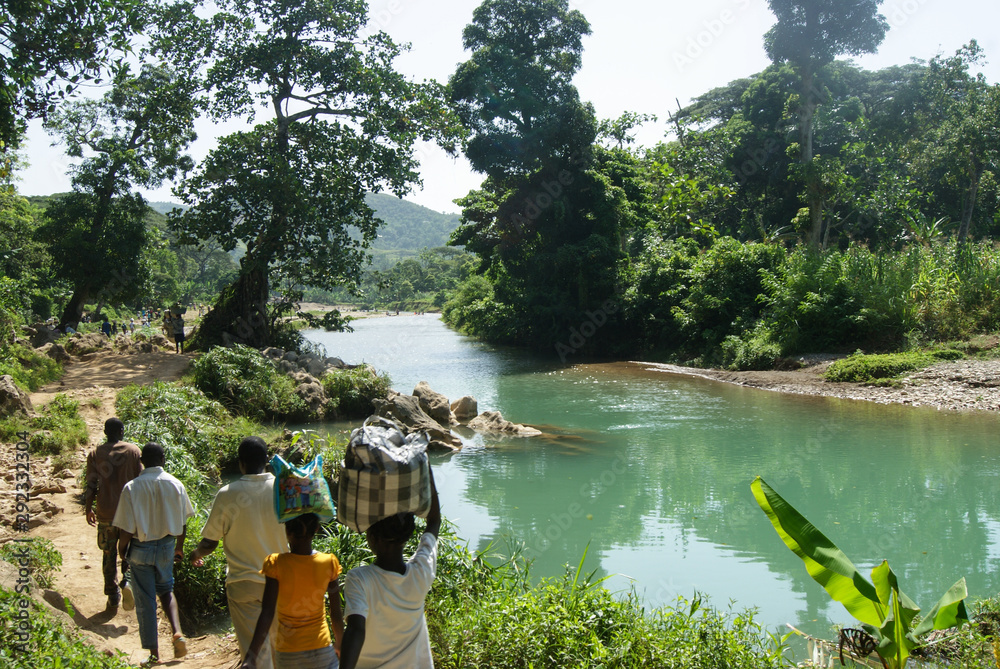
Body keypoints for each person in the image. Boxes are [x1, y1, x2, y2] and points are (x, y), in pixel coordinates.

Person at [189, 437, 288, 669]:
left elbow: (210, 543)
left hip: (243, 583)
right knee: (281, 649)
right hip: (282, 581)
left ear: (241, 463)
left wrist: (196, 553)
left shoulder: (227, 493)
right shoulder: (284, 489)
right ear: (266, 460)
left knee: (254, 652)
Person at [339, 469, 441, 669]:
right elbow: (434, 521)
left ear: (373, 539)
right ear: (406, 537)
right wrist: (425, 468)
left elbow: (356, 629)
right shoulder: (421, 572)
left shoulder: (359, 579)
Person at [113, 443, 195, 666]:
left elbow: (126, 529)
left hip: (140, 548)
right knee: (167, 590)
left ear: (141, 461)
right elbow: (183, 522)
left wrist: (122, 551)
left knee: (146, 601)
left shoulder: (131, 487)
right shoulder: (175, 484)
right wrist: (179, 547)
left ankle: (153, 654)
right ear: (163, 459)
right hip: (167, 546)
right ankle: (177, 633)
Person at [240, 513, 344, 669]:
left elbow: (267, 613)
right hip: (321, 649)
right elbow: (335, 612)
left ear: (287, 531)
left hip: (289, 653)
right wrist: (341, 643)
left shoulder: (275, 564)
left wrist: (251, 656)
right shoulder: (329, 562)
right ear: (316, 529)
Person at [83, 417, 142, 609]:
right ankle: (127, 582)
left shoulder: (96, 453)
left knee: (108, 554)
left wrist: (88, 508)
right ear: (122, 431)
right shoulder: (134, 451)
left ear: (105, 432)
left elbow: (91, 483)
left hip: (106, 513)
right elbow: (141, 481)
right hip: (129, 514)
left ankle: (112, 595)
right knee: (130, 552)